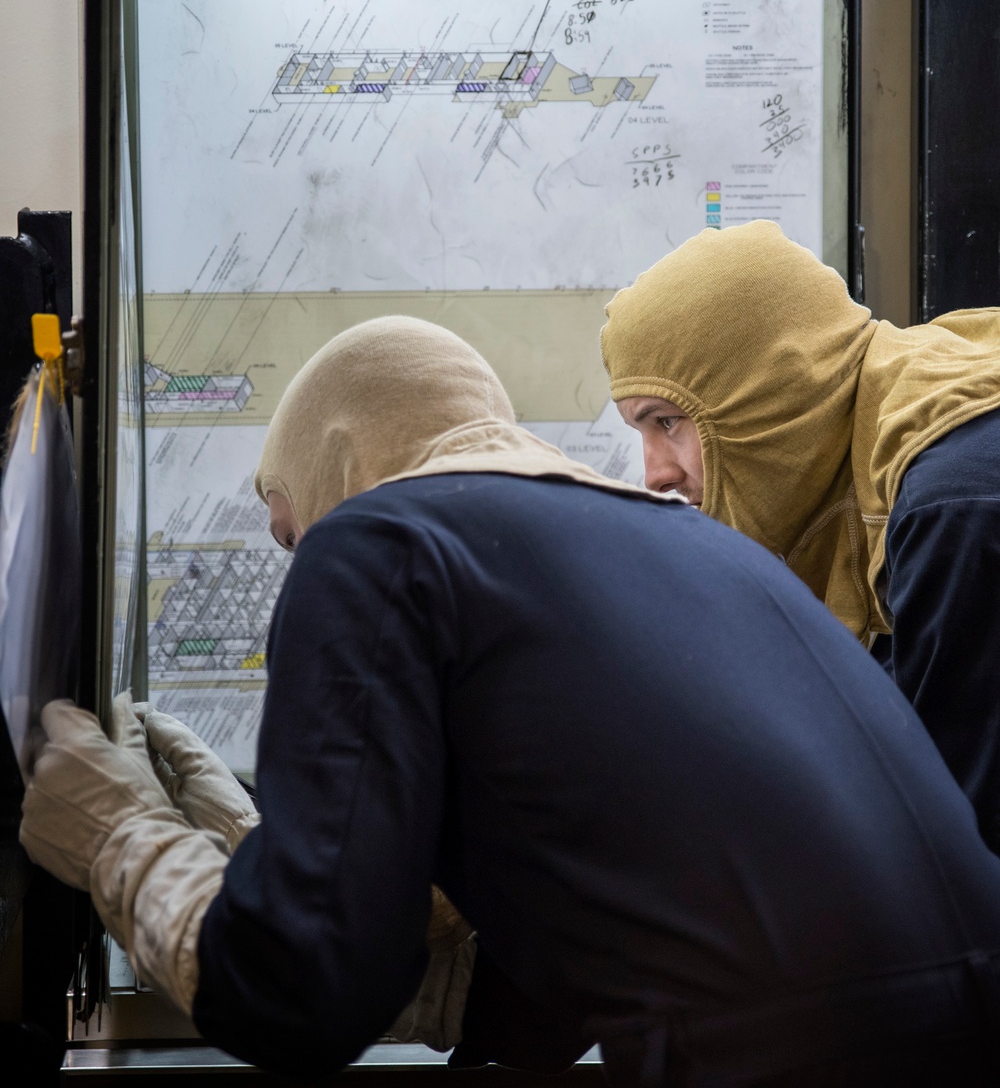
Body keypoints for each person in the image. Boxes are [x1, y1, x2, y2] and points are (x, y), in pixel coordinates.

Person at [20, 316, 1000, 1085]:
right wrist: (289, 892)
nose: (298, 562)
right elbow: (602, 934)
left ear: (340, 463)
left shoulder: (370, 543)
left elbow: (299, 1001)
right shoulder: (694, 541)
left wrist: (122, 840)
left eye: (287, 530)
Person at [602, 218, 1000, 852]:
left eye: (668, 421)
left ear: (768, 390)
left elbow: (962, 843)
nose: (656, 474)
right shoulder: (894, 446)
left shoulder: (953, 506)